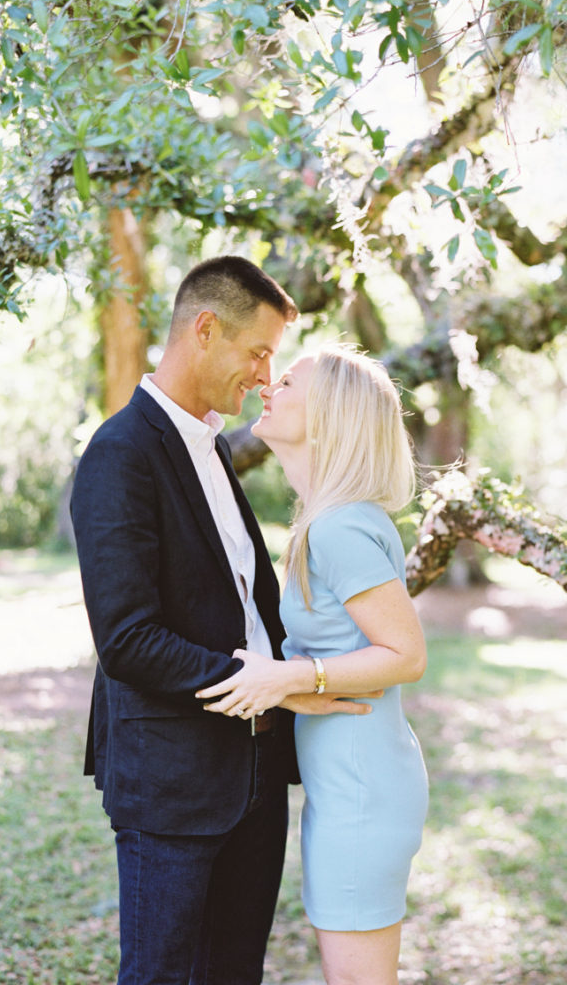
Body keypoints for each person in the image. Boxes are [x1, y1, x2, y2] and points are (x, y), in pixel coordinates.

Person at [70, 257, 374, 985]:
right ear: (205, 330)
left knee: (234, 974)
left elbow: (240, 607)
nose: (267, 377)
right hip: (172, 786)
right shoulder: (119, 456)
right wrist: (273, 686)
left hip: (257, 780)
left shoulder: (213, 449)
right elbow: (128, 640)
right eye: (259, 353)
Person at [197, 343, 429, 985]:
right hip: (356, 780)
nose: (268, 385)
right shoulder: (330, 519)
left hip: (362, 792)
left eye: (289, 380)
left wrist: (291, 679)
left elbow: (406, 655)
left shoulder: (338, 529)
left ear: (327, 415)